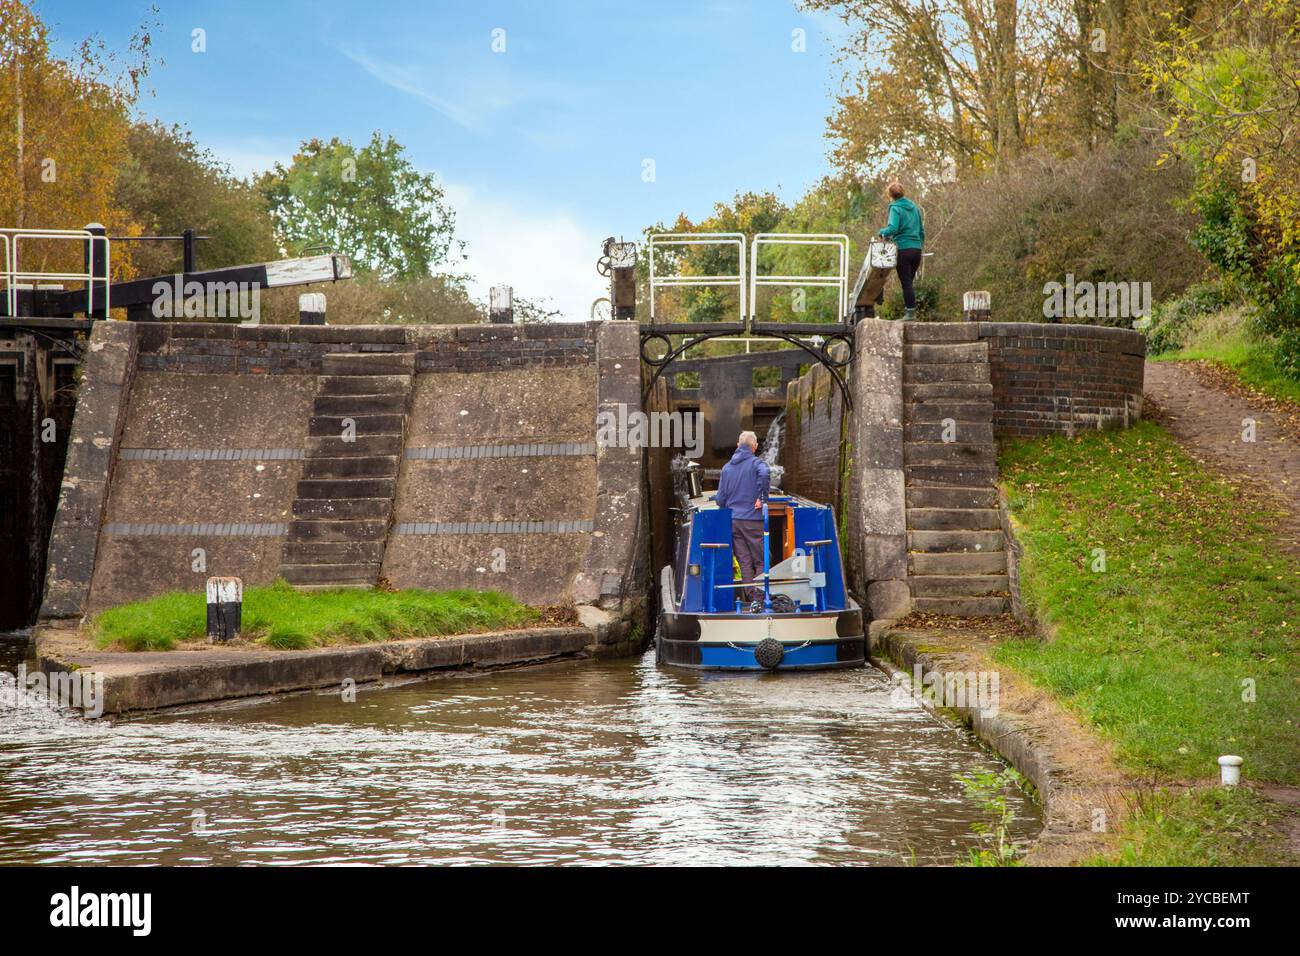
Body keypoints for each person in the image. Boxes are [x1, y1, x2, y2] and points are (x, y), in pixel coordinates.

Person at [715, 430, 770, 605]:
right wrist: (763, 498)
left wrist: (729, 509)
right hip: (752, 520)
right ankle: (761, 598)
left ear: (738, 446)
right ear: (755, 447)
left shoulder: (726, 468)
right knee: (762, 559)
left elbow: (720, 500)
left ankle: (752, 598)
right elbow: (765, 473)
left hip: (734, 522)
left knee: (744, 561)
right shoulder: (756, 464)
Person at [878, 181, 925, 321]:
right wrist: (918, 245)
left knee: (906, 283)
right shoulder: (915, 208)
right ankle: (910, 312)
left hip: (904, 249)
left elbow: (893, 228)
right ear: (903, 192)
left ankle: (910, 314)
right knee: (909, 283)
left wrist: (881, 232)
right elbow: (922, 231)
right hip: (916, 250)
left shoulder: (895, 208)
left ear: (890, 195)